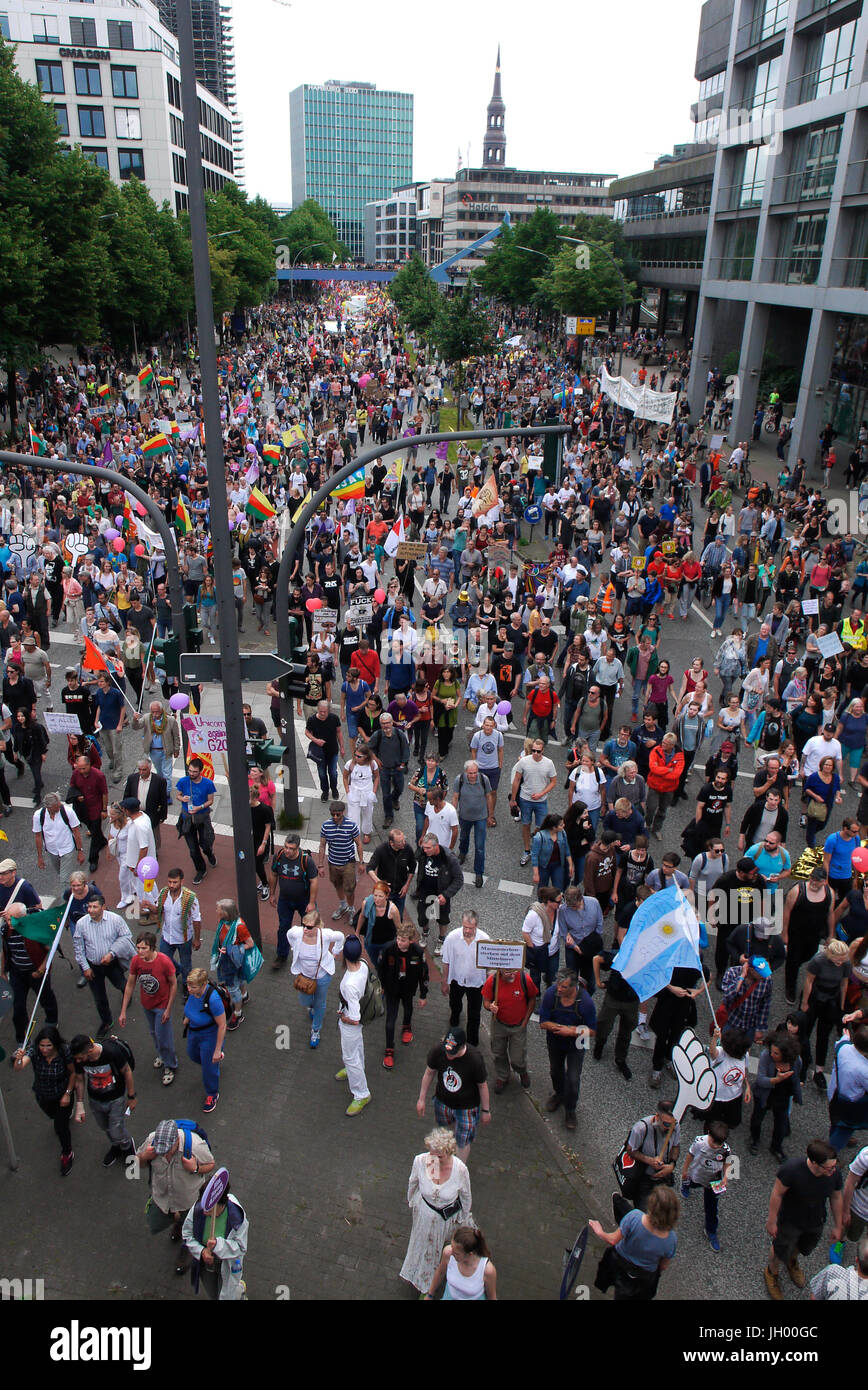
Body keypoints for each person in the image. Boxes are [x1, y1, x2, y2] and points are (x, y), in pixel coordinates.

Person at [764, 1139, 843, 1300]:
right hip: (790, 1221)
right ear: (814, 1163)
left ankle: (791, 1261)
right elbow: (777, 1193)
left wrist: (838, 1225)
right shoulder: (791, 1170)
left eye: (834, 1166)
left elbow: (836, 1197)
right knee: (780, 1249)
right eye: (829, 1168)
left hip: (815, 1220)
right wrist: (772, 1220)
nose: (833, 1171)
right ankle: (772, 1273)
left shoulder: (833, 1173)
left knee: (804, 1247)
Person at [137, 1118, 215, 1277]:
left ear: (177, 1140)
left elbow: (211, 1164)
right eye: (161, 1150)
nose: (164, 1153)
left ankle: (187, 1250)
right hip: (163, 1198)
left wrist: (195, 1168)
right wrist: (144, 1156)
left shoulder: (194, 1145)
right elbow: (138, 1163)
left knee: (193, 1228)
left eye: (168, 1149)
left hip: (189, 1199)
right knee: (162, 1220)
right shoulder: (152, 1140)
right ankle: (177, 1225)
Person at [400, 1129, 473, 1294]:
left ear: (449, 1152)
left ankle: (430, 1285)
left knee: (437, 1249)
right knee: (421, 1244)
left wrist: (461, 1217)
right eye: (432, 1154)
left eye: (440, 1156)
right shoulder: (421, 1160)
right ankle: (418, 1277)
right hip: (424, 1214)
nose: (434, 1159)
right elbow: (413, 1182)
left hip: (445, 1219)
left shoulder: (460, 1169)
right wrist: (412, 1202)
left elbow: (466, 1195)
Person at [591, 1186, 679, 1301]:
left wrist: (600, 1231)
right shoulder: (671, 1239)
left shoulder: (634, 1218)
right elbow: (663, 1266)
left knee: (619, 1289)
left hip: (620, 1264)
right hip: (644, 1276)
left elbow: (612, 1240)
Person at [417, 1027, 490, 1163]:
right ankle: (445, 1161)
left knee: (463, 1141)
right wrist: (421, 1099)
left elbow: (482, 1085)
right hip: (443, 1102)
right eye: (447, 1051)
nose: (448, 1055)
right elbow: (429, 1073)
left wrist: (486, 1110)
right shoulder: (438, 1051)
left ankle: (458, 1170)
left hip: (466, 1108)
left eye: (452, 1053)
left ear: (462, 1047)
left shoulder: (475, 1059)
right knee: (445, 1134)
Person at [11, 1025, 77, 1177]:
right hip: (43, 1095)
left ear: (55, 1044)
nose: (45, 1049)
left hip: (62, 1095)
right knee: (53, 1117)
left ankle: (67, 1153)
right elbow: (18, 1068)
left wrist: (67, 1093)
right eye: (42, 1045)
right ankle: (62, 1119)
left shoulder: (64, 1051)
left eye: (48, 1045)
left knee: (61, 1127)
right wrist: (19, 1059)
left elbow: (73, 1073)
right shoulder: (35, 1051)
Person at [119, 931, 179, 1086]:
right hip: (147, 1005)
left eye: (144, 948)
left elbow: (173, 984)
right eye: (138, 947)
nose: (140, 951)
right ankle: (162, 1055)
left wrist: (168, 1008)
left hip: (161, 1005)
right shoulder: (136, 961)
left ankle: (170, 1065)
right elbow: (130, 984)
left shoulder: (164, 961)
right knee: (154, 1033)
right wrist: (123, 1010)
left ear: (152, 947)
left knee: (163, 1036)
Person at [540, 968, 597, 1133]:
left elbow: (592, 1031)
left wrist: (571, 1032)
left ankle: (570, 1109)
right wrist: (561, 1028)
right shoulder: (551, 994)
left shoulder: (585, 1003)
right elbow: (543, 1022)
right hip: (556, 1040)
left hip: (578, 1043)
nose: (559, 989)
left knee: (573, 1078)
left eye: (563, 987)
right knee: (555, 1071)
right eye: (558, 985)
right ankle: (559, 1094)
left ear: (574, 987)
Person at [69, 1031, 137, 1168]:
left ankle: (128, 1147)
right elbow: (80, 1078)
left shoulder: (111, 1053)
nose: (78, 1061)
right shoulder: (79, 1059)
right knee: (105, 1127)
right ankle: (116, 1146)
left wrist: (131, 1096)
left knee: (116, 1129)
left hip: (116, 1099)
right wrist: (80, 1104)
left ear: (90, 1050)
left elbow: (127, 1071)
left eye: (80, 1058)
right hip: (95, 1100)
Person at [73, 891, 136, 1037]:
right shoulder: (82, 923)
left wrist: (112, 953)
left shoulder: (115, 920)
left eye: (95, 907)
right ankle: (107, 1022)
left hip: (111, 963)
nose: (91, 910)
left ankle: (126, 994)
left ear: (103, 907)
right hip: (93, 966)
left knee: (121, 983)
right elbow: (78, 947)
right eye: (89, 907)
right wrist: (85, 967)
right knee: (99, 996)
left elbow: (126, 937)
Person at [286, 909, 345, 1049]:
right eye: (304, 925)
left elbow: (341, 936)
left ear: (318, 926)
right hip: (304, 977)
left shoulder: (325, 935)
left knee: (320, 1003)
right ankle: (311, 1008)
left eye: (309, 927)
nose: (305, 929)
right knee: (305, 1000)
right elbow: (289, 934)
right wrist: (294, 948)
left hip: (322, 976)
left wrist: (335, 953)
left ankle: (316, 1030)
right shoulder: (298, 933)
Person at [182, 1176, 249, 1300]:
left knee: (227, 1295)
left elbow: (241, 1247)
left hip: (227, 1264)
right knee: (214, 1295)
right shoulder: (197, 1210)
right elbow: (187, 1234)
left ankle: (239, 1292)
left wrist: (218, 1245)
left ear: (221, 1204)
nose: (204, 1211)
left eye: (210, 1208)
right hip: (207, 1265)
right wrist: (202, 1251)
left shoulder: (237, 1218)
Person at [802, 939, 852, 1090]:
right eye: (838, 960)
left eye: (843, 960)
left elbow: (844, 983)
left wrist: (841, 1005)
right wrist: (805, 1002)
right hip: (815, 996)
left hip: (831, 998)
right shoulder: (818, 961)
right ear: (830, 954)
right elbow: (809, 981)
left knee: (823, 1035)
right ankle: (803, 1065)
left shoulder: (845, 964)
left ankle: (819, 1070)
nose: (840, 963)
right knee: (805, 1031)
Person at [481, 959, 537, 1093]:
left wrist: (525, 1021)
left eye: (514, 970)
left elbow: (532, 999)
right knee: (498, 1052)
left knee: (517, 1058)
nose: (512, 974)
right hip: (499, 1024)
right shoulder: (492, 981)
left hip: (518, 1026)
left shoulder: (525, 979)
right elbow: (486, 1001)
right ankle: (503, 1076)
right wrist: (490, 1007)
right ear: (500, 969)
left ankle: (521, 1070)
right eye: (507, 971)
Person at [378, 922, 428, 1069]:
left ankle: (407, 1027)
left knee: (408, 1009)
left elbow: (424, 974)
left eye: (403, 940)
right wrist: (381, 986)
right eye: (398, 939)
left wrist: (423, 995)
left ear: (411, 940)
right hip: (392, 989)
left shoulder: (418, 952)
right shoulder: (388, 949)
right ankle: (389, 1050)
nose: (399, 942)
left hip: (408, 989)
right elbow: (380, 969)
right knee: (390, 1022)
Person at [680, 1119, 732, 1254]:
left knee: (712, 1208)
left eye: (719, 1143)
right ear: (708, 1133)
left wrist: (726, 1178)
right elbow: (689, 1155)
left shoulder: (725, 1149)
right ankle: (686, 1185)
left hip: (713, 1181)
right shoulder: (699, 1142)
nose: (715, 1146)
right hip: (697, 1175)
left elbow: (728, 1162)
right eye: (713, 1142)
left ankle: (711, 1230)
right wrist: (685, 1171)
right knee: (692, 1183)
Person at [440, 910, 491, 1047]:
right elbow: (446, 961)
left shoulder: (485, 939)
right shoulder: (452, 938)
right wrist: (444, 982)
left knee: (474, 1015)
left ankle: (472, 1044)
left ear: (477, 926)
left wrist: (489, 986)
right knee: (455, 1005)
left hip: (477, 983)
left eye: (471, 928)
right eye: (465, 927)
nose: (467, 931)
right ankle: (454, 1026)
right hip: (457, 980)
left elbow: (489, 966)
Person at [592, 942, 641, 1081]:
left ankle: (620, 1059)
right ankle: (600, 1043)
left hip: (631, 1002)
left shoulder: (644, 961)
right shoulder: (618, 955)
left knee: (626, 1031)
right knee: (603, 1024)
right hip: (614, 998)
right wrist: (598, 982)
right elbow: (597, 959)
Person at [269, 834, 319, 969]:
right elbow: (273, 874)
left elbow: (314, 881)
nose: (287, 850)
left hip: (304, 901)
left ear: (297, 848)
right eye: (286, 847)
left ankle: (311, 955)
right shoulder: (279, 856)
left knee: (310, 927)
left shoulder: (306, 861)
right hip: (285, 900)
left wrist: (312, 903)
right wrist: (272, 894)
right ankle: (282, 955)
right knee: (283, 927)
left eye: (291, 848)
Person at [618, 1103, 681, 1210]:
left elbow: (676, 1146)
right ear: (657, 1117)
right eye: (666, 1124)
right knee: (644, 1212)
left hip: (661, 1176)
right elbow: (631, 1150)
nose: (669, 1128)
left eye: (672, 1124)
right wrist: (650, 1161)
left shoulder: (674, 1126)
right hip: (644, 1177)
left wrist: (671, 1165)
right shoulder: (640, 1129)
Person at [336, 932, 371, 1116]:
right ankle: (354, 1070)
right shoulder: (364, 964)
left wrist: (343, 1017)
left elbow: (355, 1017)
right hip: (357, 1022)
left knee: (350, 1056)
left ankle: (361, 1093)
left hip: (351, 1023)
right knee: (357, 1048)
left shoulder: (349, 984)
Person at [183, 967, 227, 1114]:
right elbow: (192, 1006)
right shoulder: (194, 993)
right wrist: (187, 1018)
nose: (189, 989)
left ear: (203, 985)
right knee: (192, 1055)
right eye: (188, 985)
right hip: (194, 1032)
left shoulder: (213, 999)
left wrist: (217, 1049)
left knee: (208, 1067)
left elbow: (222, 1025)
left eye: (193, 986)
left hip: (209, 1036)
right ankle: (212, 1067)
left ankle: (212, 1094)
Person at [413, 833, 464, 956]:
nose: (424, 850)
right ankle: (425, 933)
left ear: (436, 846)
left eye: (428, 848)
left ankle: (441, 939)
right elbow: (415, 860)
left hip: (440, 894)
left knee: (442, 919)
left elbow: (459, 879)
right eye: (423, 847)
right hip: (425, 891)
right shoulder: (423, 853)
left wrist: (446, 895)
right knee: (422, 918)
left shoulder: (449, 858)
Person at [510, 740, 558, 866]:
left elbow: (553, 781)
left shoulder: (549, 763)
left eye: (538, 751)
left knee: (541, 827)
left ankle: (535, 846)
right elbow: (517, 780)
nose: (535, 753)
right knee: (526, 824)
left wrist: (541, 794)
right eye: (533, 751)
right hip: (525, 799)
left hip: (541, 801)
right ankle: (527, 851)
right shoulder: (524, 762)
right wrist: (513, 799)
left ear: (543, 751)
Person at [156, 868, 202, 995]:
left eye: (175, 882)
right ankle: (176, 970)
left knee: (186, 965)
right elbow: (159, 910)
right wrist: (150, 907)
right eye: (170, 882)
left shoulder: (190, 898)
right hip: (167, 936)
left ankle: (186, 989)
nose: (171, 885)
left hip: (184, 939)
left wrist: (197, 939)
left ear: (182, 881)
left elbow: (196, 919)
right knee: (165, 960)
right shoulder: (163, 893)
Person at [211, 899, 254, 1032]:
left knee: (233, 989)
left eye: (218, 909)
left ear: (226, 912)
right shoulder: (224, 922)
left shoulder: (239, 926)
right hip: (231, 960)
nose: (216, 911)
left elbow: (250, 943)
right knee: (240, 980)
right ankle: (245, 995)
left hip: (232, 962)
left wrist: (231, 950)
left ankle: (238, 1014)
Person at [318, 801, 364, 922]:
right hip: (333, 863)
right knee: (337, 885)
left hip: (348, 863)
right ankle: (343, 905)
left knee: (349, 889)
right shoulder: (325, 826)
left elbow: (359, 844)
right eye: (333, 814)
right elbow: (322, 845)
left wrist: (361, 862)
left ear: (343, 813)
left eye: (338, 814)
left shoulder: (351, 826)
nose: (335, 817)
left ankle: (351, 908)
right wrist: (320, 865)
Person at [424, 1225, 497, 1301]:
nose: (451, 1252)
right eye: (451, 1246)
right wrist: (429, 1295)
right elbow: (440, 1272)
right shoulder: (448, 1253)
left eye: (456, 1253)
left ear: (469, 1254)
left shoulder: (488, 1271)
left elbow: (492, 1297)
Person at [452, 760, 494, 888]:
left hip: (481, 817)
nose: (473, 775)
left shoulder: (483, 779)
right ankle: (463, 853)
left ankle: (479, 872)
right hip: (465, 816)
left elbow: (489, 796)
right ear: (466, 772)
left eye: (475, 772)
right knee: (463, 837)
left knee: (480, 846)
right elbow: (455, 797)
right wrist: (452, 815)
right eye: (470, 773)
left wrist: (490, 815)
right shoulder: (459, 780)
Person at [176, 758, 217, 885]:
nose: (191, 774)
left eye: (194, 771)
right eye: (190, 771)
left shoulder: (208, 783)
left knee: (205, 843)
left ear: (201, 771)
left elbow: (211, 801)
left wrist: (200, 807)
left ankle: (209, 853)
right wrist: (183, 798)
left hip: (202, 817)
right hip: (187, 818)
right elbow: (178, 795)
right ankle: (201, 869)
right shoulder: (183, 781)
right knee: (193, 850)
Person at [828, 1025, 868, 1151]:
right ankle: (830, 1154)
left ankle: (834, 1136)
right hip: (850, 1105)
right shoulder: (864, 1070)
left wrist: (846, 1037)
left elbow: (843, 1040)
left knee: (835, 1119)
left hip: (834, 1094)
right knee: (844, 1129)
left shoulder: (843, 1047)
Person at [366, 826, 417, 920]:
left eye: (403, 839)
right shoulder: (381, 850)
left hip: (400, 891)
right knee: (383, 917)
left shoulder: (407, 849)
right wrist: (379, 883)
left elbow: (412, 868)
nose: (404, 843)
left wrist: (406, 885)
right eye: (400, 842)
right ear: (391, 843)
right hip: (385, 892)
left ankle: (397, 933)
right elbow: (369, 868)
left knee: (398, 916)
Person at [354, 879, 402, 977]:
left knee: (387, 964)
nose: (377, 899)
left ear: (387, 896)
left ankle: (386, 977)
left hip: (387, 944)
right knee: (376, 962)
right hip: (371, 942)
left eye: (380, 896)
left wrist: (400, 942)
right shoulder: (367, 903)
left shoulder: (393, 910)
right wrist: (357, 932)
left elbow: (399, 928)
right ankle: (380, 972)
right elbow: (362, 916)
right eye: (375, 895)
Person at [33, 792, 85, 880]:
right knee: (62, 875)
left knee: (63, 879)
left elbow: (76, 831)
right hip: (52, 851)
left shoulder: (68, 812)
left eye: (59, 804)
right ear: (48, 807)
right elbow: (38, 836)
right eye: (56, 806)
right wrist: (40, 857)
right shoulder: (38, 816)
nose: (60, 806)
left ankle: (67, 891)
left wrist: (80, 851)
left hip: (67, 849)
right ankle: (76, 888)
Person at [123, 759, 168, 854]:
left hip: (152, 814)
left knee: (154, 834)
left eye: (144, 770)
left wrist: (163, 815)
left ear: (150, 768)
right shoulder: (132, 778)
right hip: (135, 813)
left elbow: (163, 800)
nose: (141, 772)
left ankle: (154, 851)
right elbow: (127, 795)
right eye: (139, 769)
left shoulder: (160, 781)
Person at [304, 698, 344, 802]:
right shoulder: (312, 720)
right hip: (319, 753)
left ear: (328, 710)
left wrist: (342, 747)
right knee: (322, 773)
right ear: (317, 709)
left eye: (324, 712)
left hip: (333, 750)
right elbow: (307, 732)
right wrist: (316, 740)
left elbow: (339, 732)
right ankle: (325, 791)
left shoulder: (334, 718)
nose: (322, 714)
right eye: (320, 711)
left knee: (333, 773)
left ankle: (334, 789)